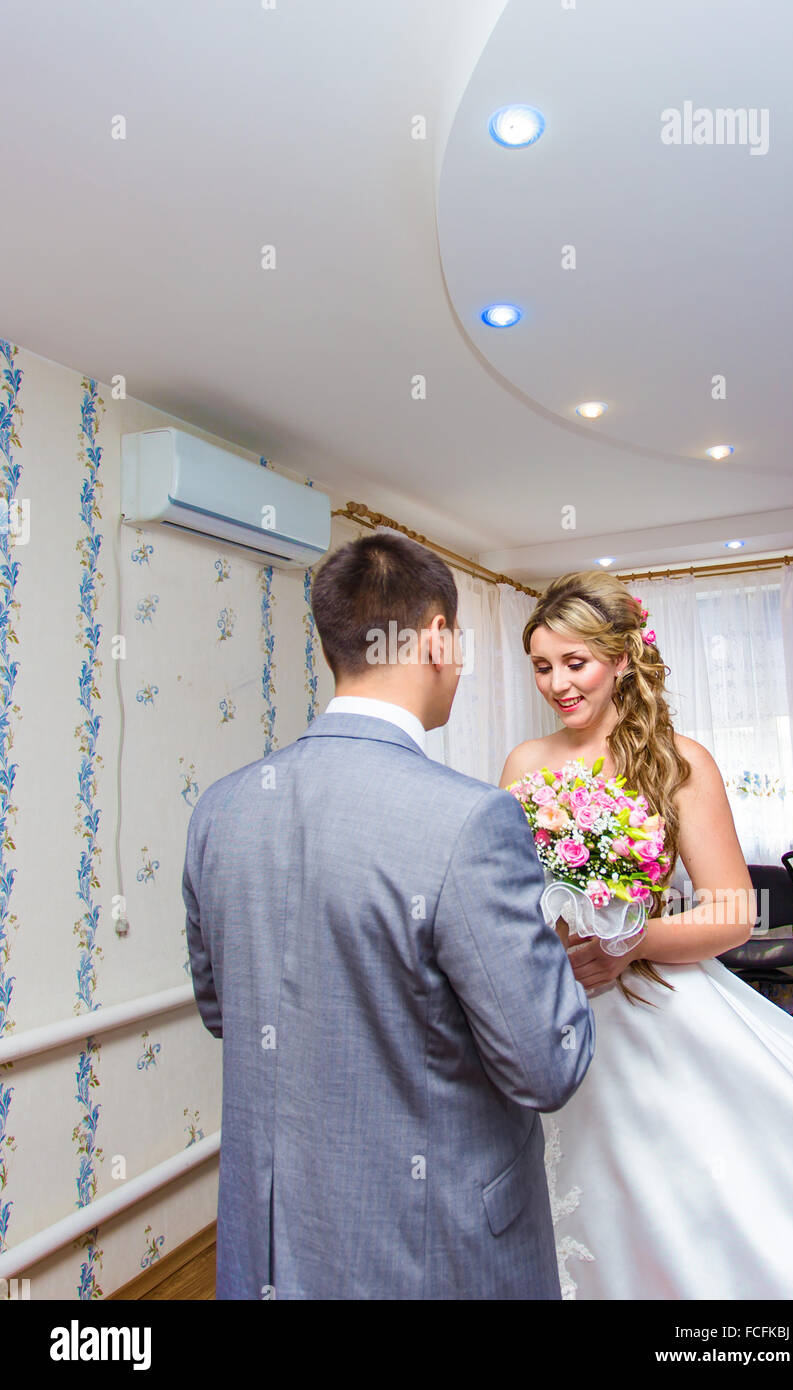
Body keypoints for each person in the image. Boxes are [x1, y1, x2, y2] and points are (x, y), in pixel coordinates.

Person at [183, 532, 594, 1300]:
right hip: (431, 1252)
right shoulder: (470, 820)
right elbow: (547, 1066)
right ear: (436, 636)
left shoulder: (222, 809)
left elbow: (224, 1010)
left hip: (270, 1245)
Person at [500, 570, 793, 1300]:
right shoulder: (524, 766)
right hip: (556, 1012)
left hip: (656, 1002)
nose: (557, 683)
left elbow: (729, 911)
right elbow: (501, 899)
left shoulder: (679, 762)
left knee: (684, 1203)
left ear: (622, 659)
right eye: (541, 666)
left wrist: (630, 942)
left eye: (575, 662)